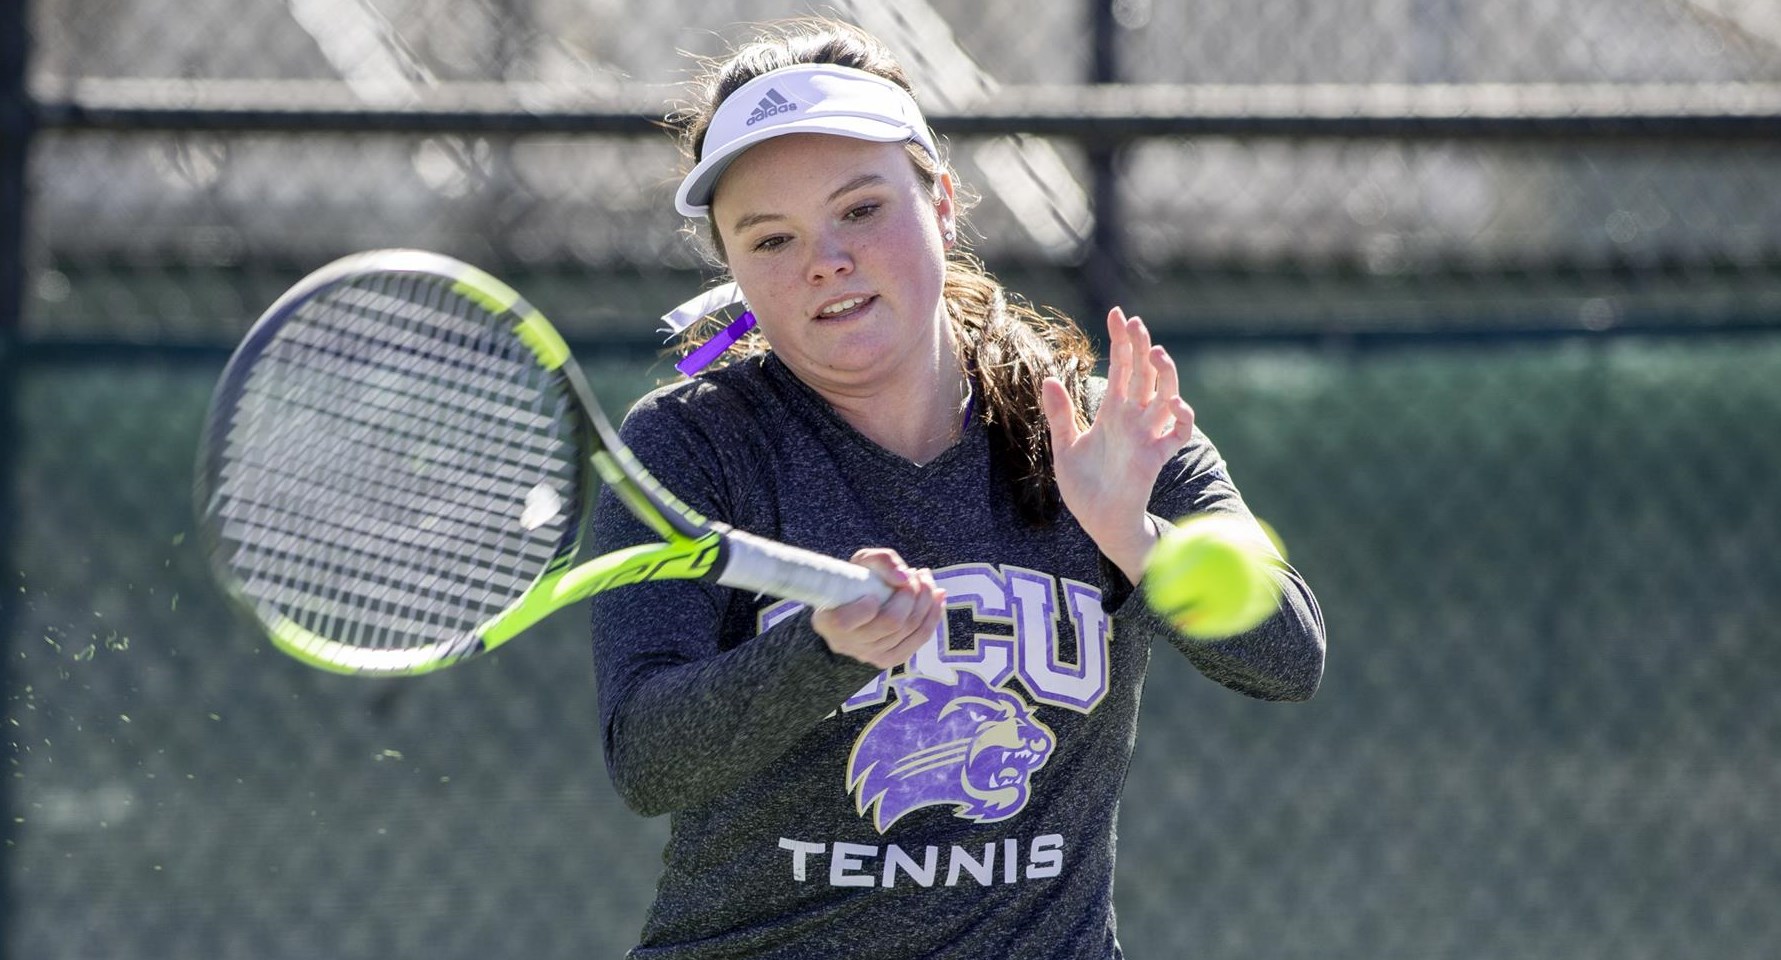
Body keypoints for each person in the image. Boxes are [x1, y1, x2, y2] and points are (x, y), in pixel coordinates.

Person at [589, 18, 1325, 959]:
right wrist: (823, 650)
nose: (825, 260)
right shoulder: (689, 446)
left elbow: (1287, 657)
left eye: (860, 210)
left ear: (940, 202)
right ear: (730, 267)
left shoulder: (1102, 434)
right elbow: (647, 758)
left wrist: (1133, 537)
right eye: (770, 238)